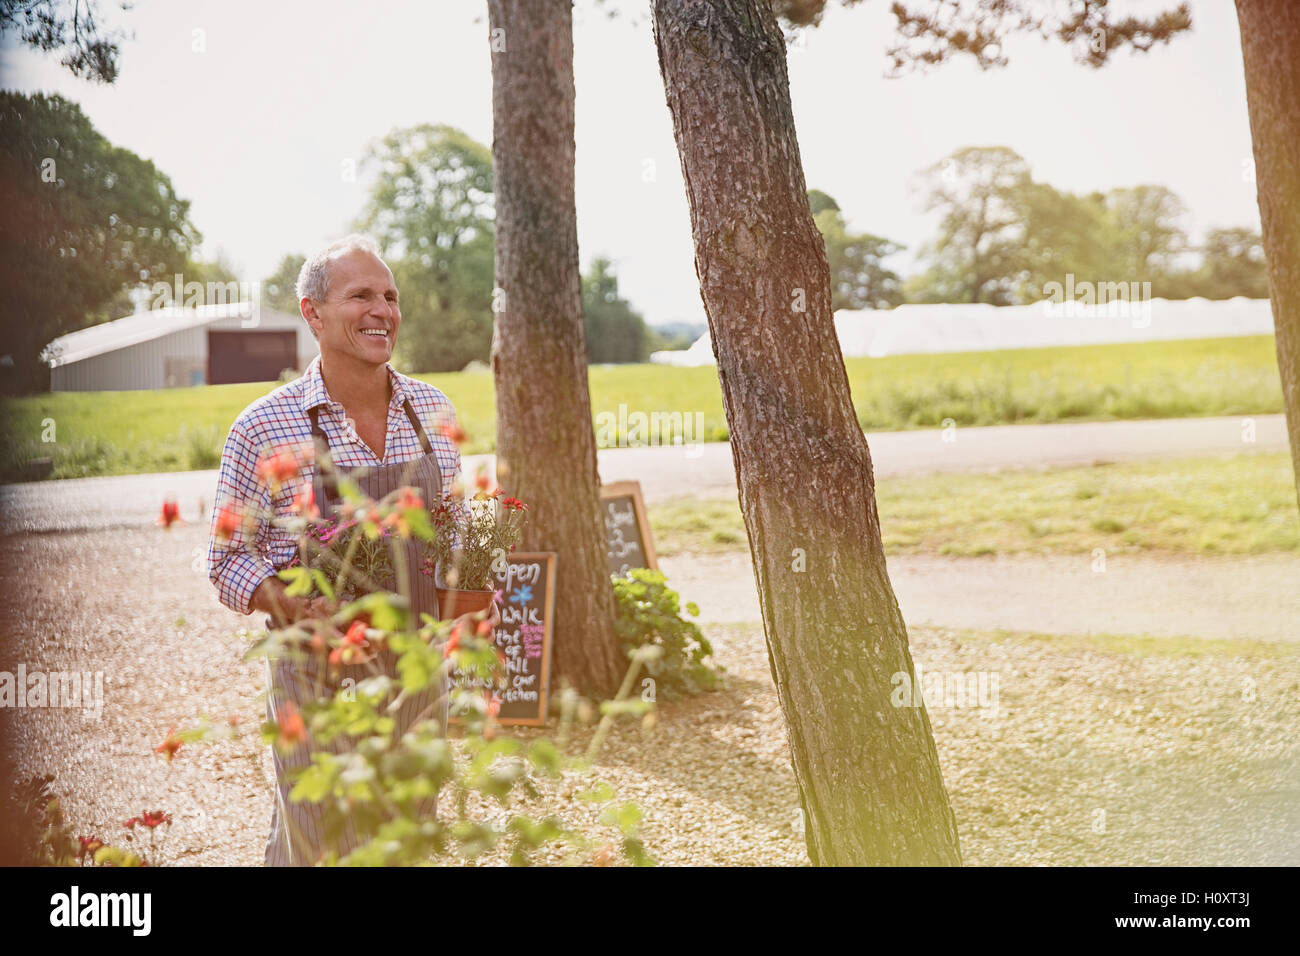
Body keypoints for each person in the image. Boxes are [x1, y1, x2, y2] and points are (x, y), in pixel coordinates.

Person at [206, 233, 499, 865]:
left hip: (418, 675)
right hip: (317, 674)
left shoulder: (432, 409)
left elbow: (451, 532)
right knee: (315, 833)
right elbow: (227, 556)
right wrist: (287, 604)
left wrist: (472, 595)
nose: (382, 310)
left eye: (390, 296)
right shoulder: (263, 426)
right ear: (312, 313)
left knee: (409, 831)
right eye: (360, 295)